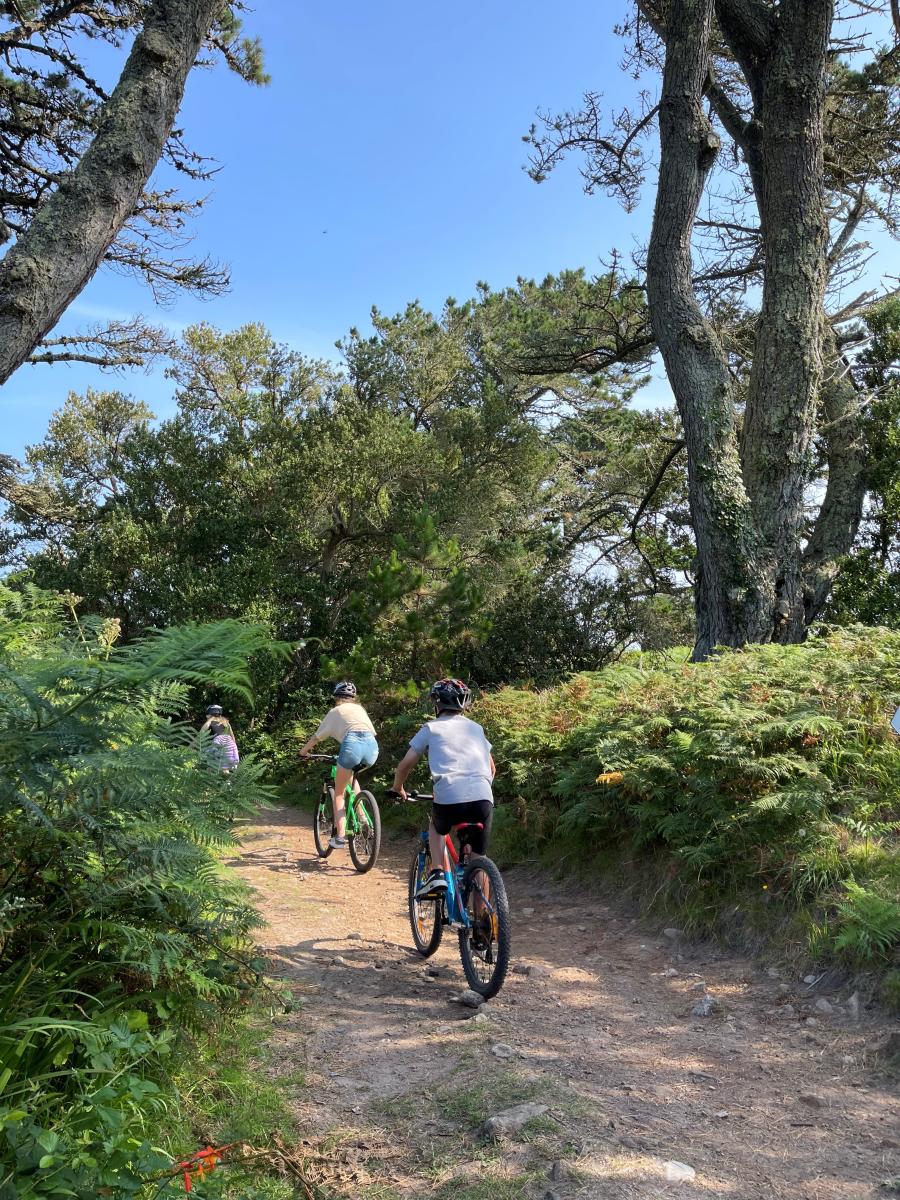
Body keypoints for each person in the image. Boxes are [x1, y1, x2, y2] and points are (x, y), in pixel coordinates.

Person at [391, 678, 495, 898]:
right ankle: (484, 924)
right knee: (478, 860)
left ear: (437, 704)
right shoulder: (476, 728)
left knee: (436, 827)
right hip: (484, 797)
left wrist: (398, 787)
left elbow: (405, 764)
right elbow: (492, 768)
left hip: (449, 795)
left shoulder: (431, 728)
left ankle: (438, 872)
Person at [298, 682, 379, 850]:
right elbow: (370, 732)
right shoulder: (360, 710)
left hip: (351, 747)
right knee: (351, 777)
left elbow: (316, 737)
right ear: (353, 698)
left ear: (336, 698)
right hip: (372, 748)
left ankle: (340, 837)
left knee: (339, 794)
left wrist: (303, 752)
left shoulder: (335, 712)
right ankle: (362, 816)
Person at [199, 704, 240, 774]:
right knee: (223, 770)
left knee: (212, 767)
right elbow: (233, 738)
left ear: (209, 714)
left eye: (207, 715)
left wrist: (189, 748)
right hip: (231, 746)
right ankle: (228, 783)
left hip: (219, 745)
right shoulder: (226, 722)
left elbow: (200, 735)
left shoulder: (209, 722)